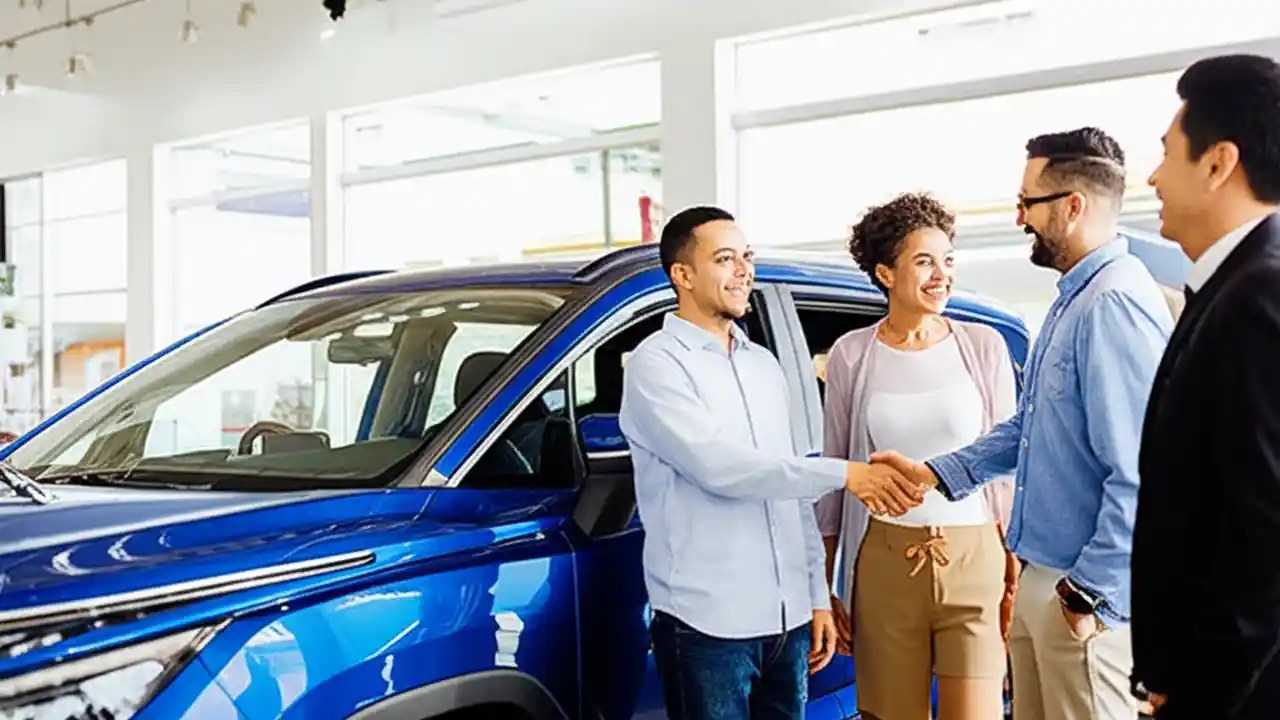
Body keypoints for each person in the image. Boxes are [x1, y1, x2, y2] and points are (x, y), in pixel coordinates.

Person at [872, 128, 1173, 720]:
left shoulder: (1112, 303)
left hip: (1082, 588)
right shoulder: (1072, 300)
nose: (1018, 218)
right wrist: (936, 474)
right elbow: (1030, 429)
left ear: (1072, 205)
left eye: (1027, 203)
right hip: (1047, 577)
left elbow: (1142, 465)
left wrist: (1094, 592)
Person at [618, 205, 925, 720]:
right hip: (707, 622)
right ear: (683, 275)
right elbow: (720, 468)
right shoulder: (657, 364)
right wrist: (846, 473)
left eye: (747, 257)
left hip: (785, 621)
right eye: (725, 258)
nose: (744, 270)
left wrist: (816, 597)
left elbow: (787, 487)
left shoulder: (763, 365)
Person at [815, 192, 1018, 720]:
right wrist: (825, 581)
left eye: (948, 261)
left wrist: (1015, 560)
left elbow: (1008, 461)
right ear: (885, 272)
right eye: (924, 261)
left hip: (976, 560)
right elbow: (837, 473)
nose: (941, 275)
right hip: (883, 563)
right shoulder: (852, 354)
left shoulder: (983, 345)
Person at [1131, 54, 1280, 720]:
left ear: (1218, 163)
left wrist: (1200, 688)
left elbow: (1263, 526)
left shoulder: (1258, 295)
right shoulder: (1230, 287)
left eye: (1167, 154)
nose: (1155, 176)